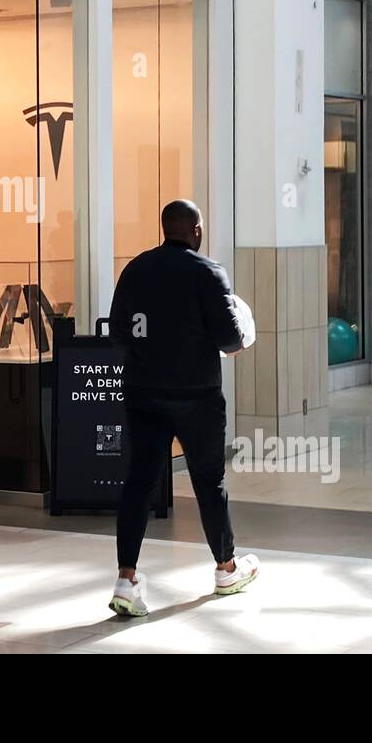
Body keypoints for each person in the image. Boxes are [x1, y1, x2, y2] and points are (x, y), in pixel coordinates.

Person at [106, 199, 259, 617]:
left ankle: (126, 578)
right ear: (195, 231)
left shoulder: (136, 269)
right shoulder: (209, 273)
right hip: (198, 397)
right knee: (209, 480)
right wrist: (240, 340)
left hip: (143, 392)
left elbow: (118, 333)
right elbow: (231, 339)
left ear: (164, 228)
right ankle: (226, 568)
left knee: (139, 482)